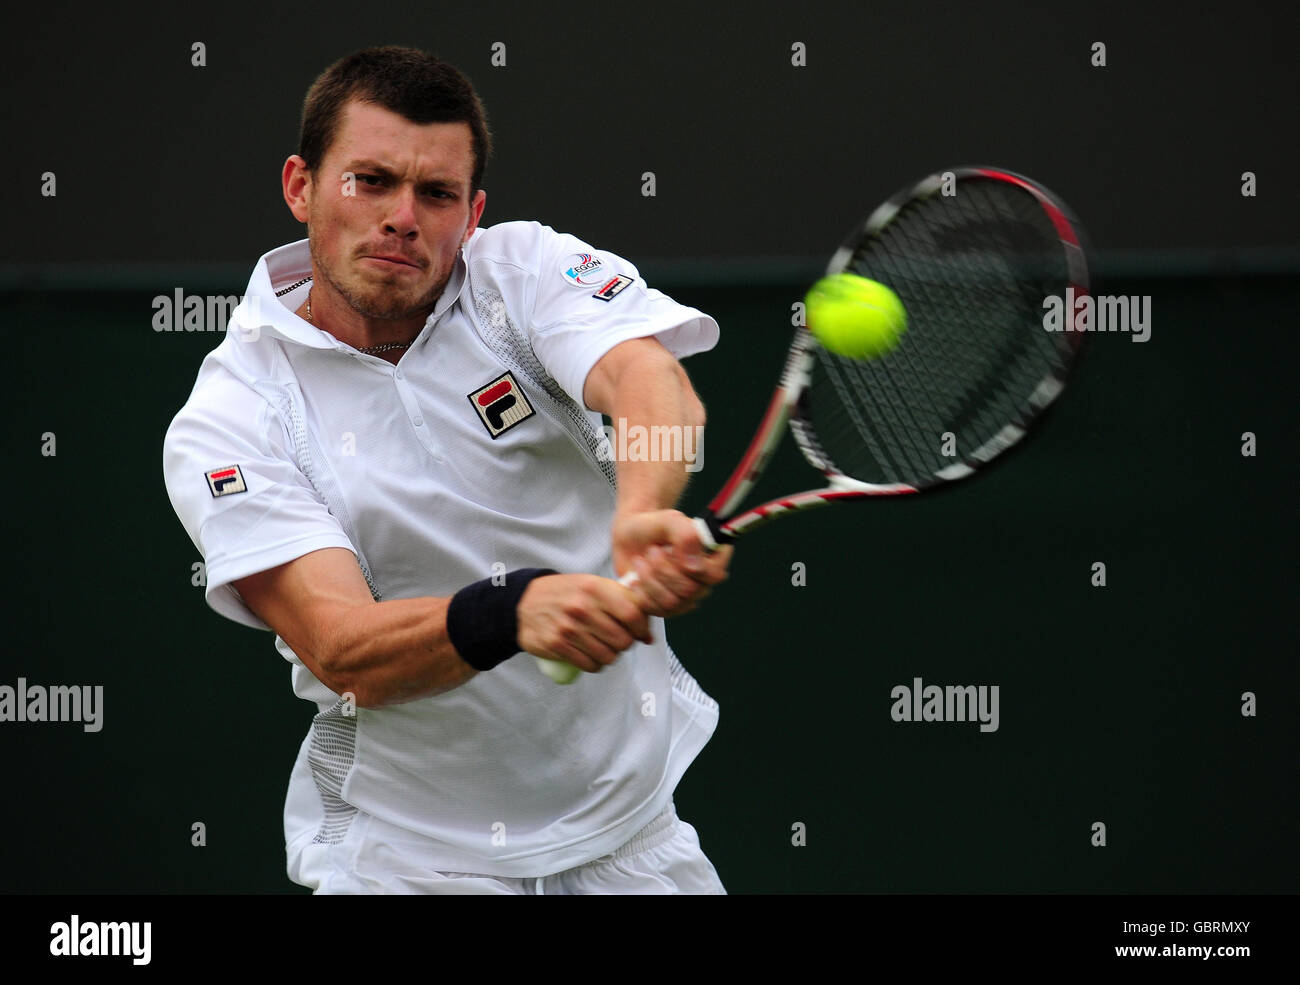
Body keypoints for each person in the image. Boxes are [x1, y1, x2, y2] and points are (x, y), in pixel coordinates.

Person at [162, 46, 733, 894]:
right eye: (370, 181)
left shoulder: (523, 272)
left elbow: (654, 385)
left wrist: (641, 512)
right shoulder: (230, 418)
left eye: (436, 194)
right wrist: (512, 609)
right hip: (406, 863)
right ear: (300, 186)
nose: (403, 217)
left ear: (472, 215)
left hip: (632, 836)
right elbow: (342, 647)